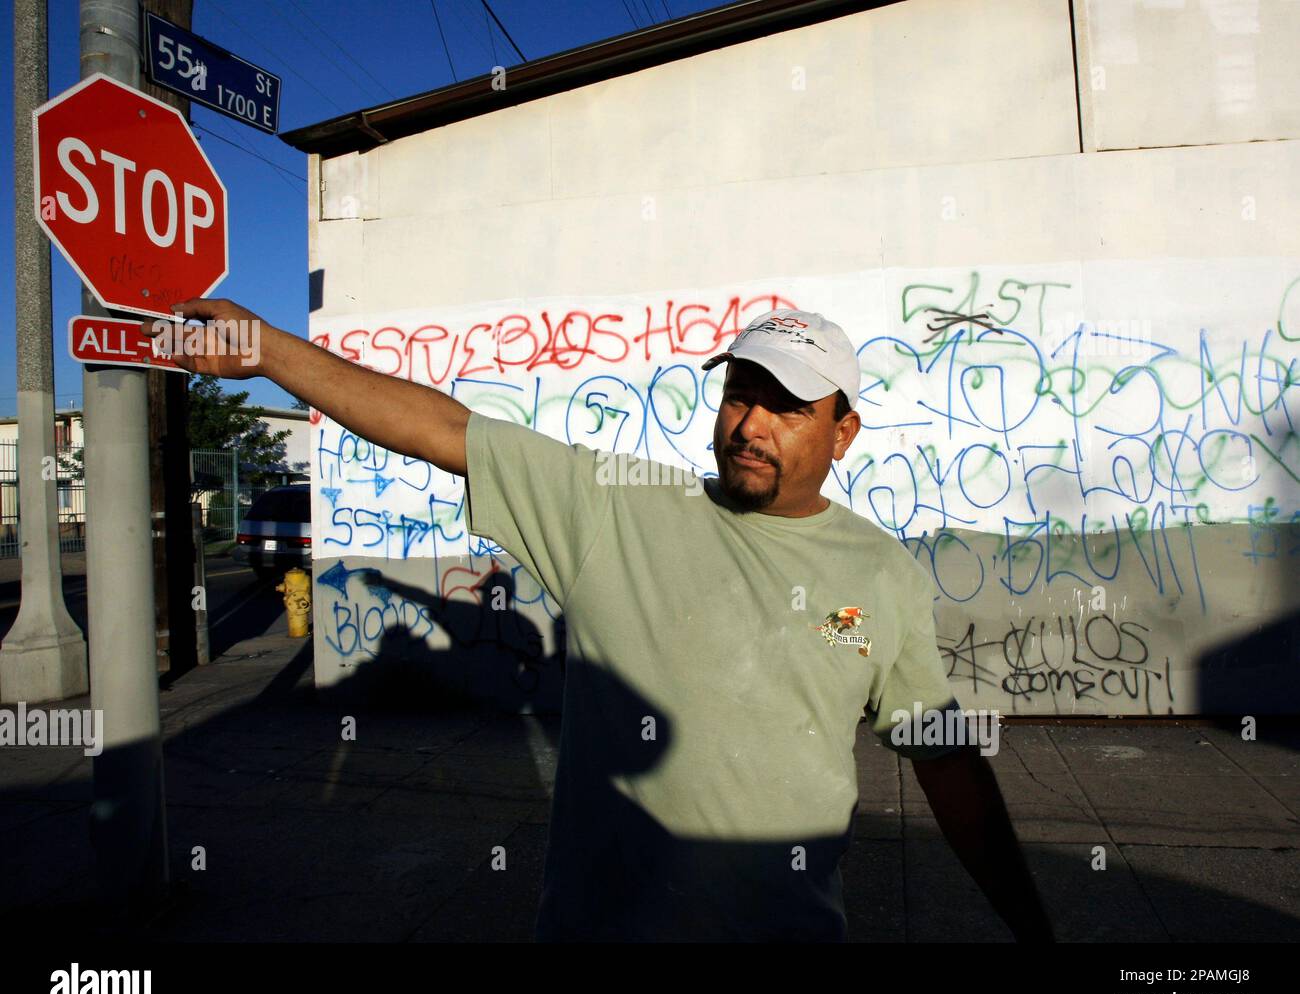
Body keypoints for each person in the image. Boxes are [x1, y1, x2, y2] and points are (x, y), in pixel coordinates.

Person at [149, 300, 1054, 943]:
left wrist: (1031, 924)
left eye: (786, 406)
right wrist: (267, 350)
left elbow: (943, 758)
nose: (750, 424)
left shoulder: (882, 574)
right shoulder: (618, 509)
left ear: (843, 433)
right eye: (741, 392)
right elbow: (442, 428)